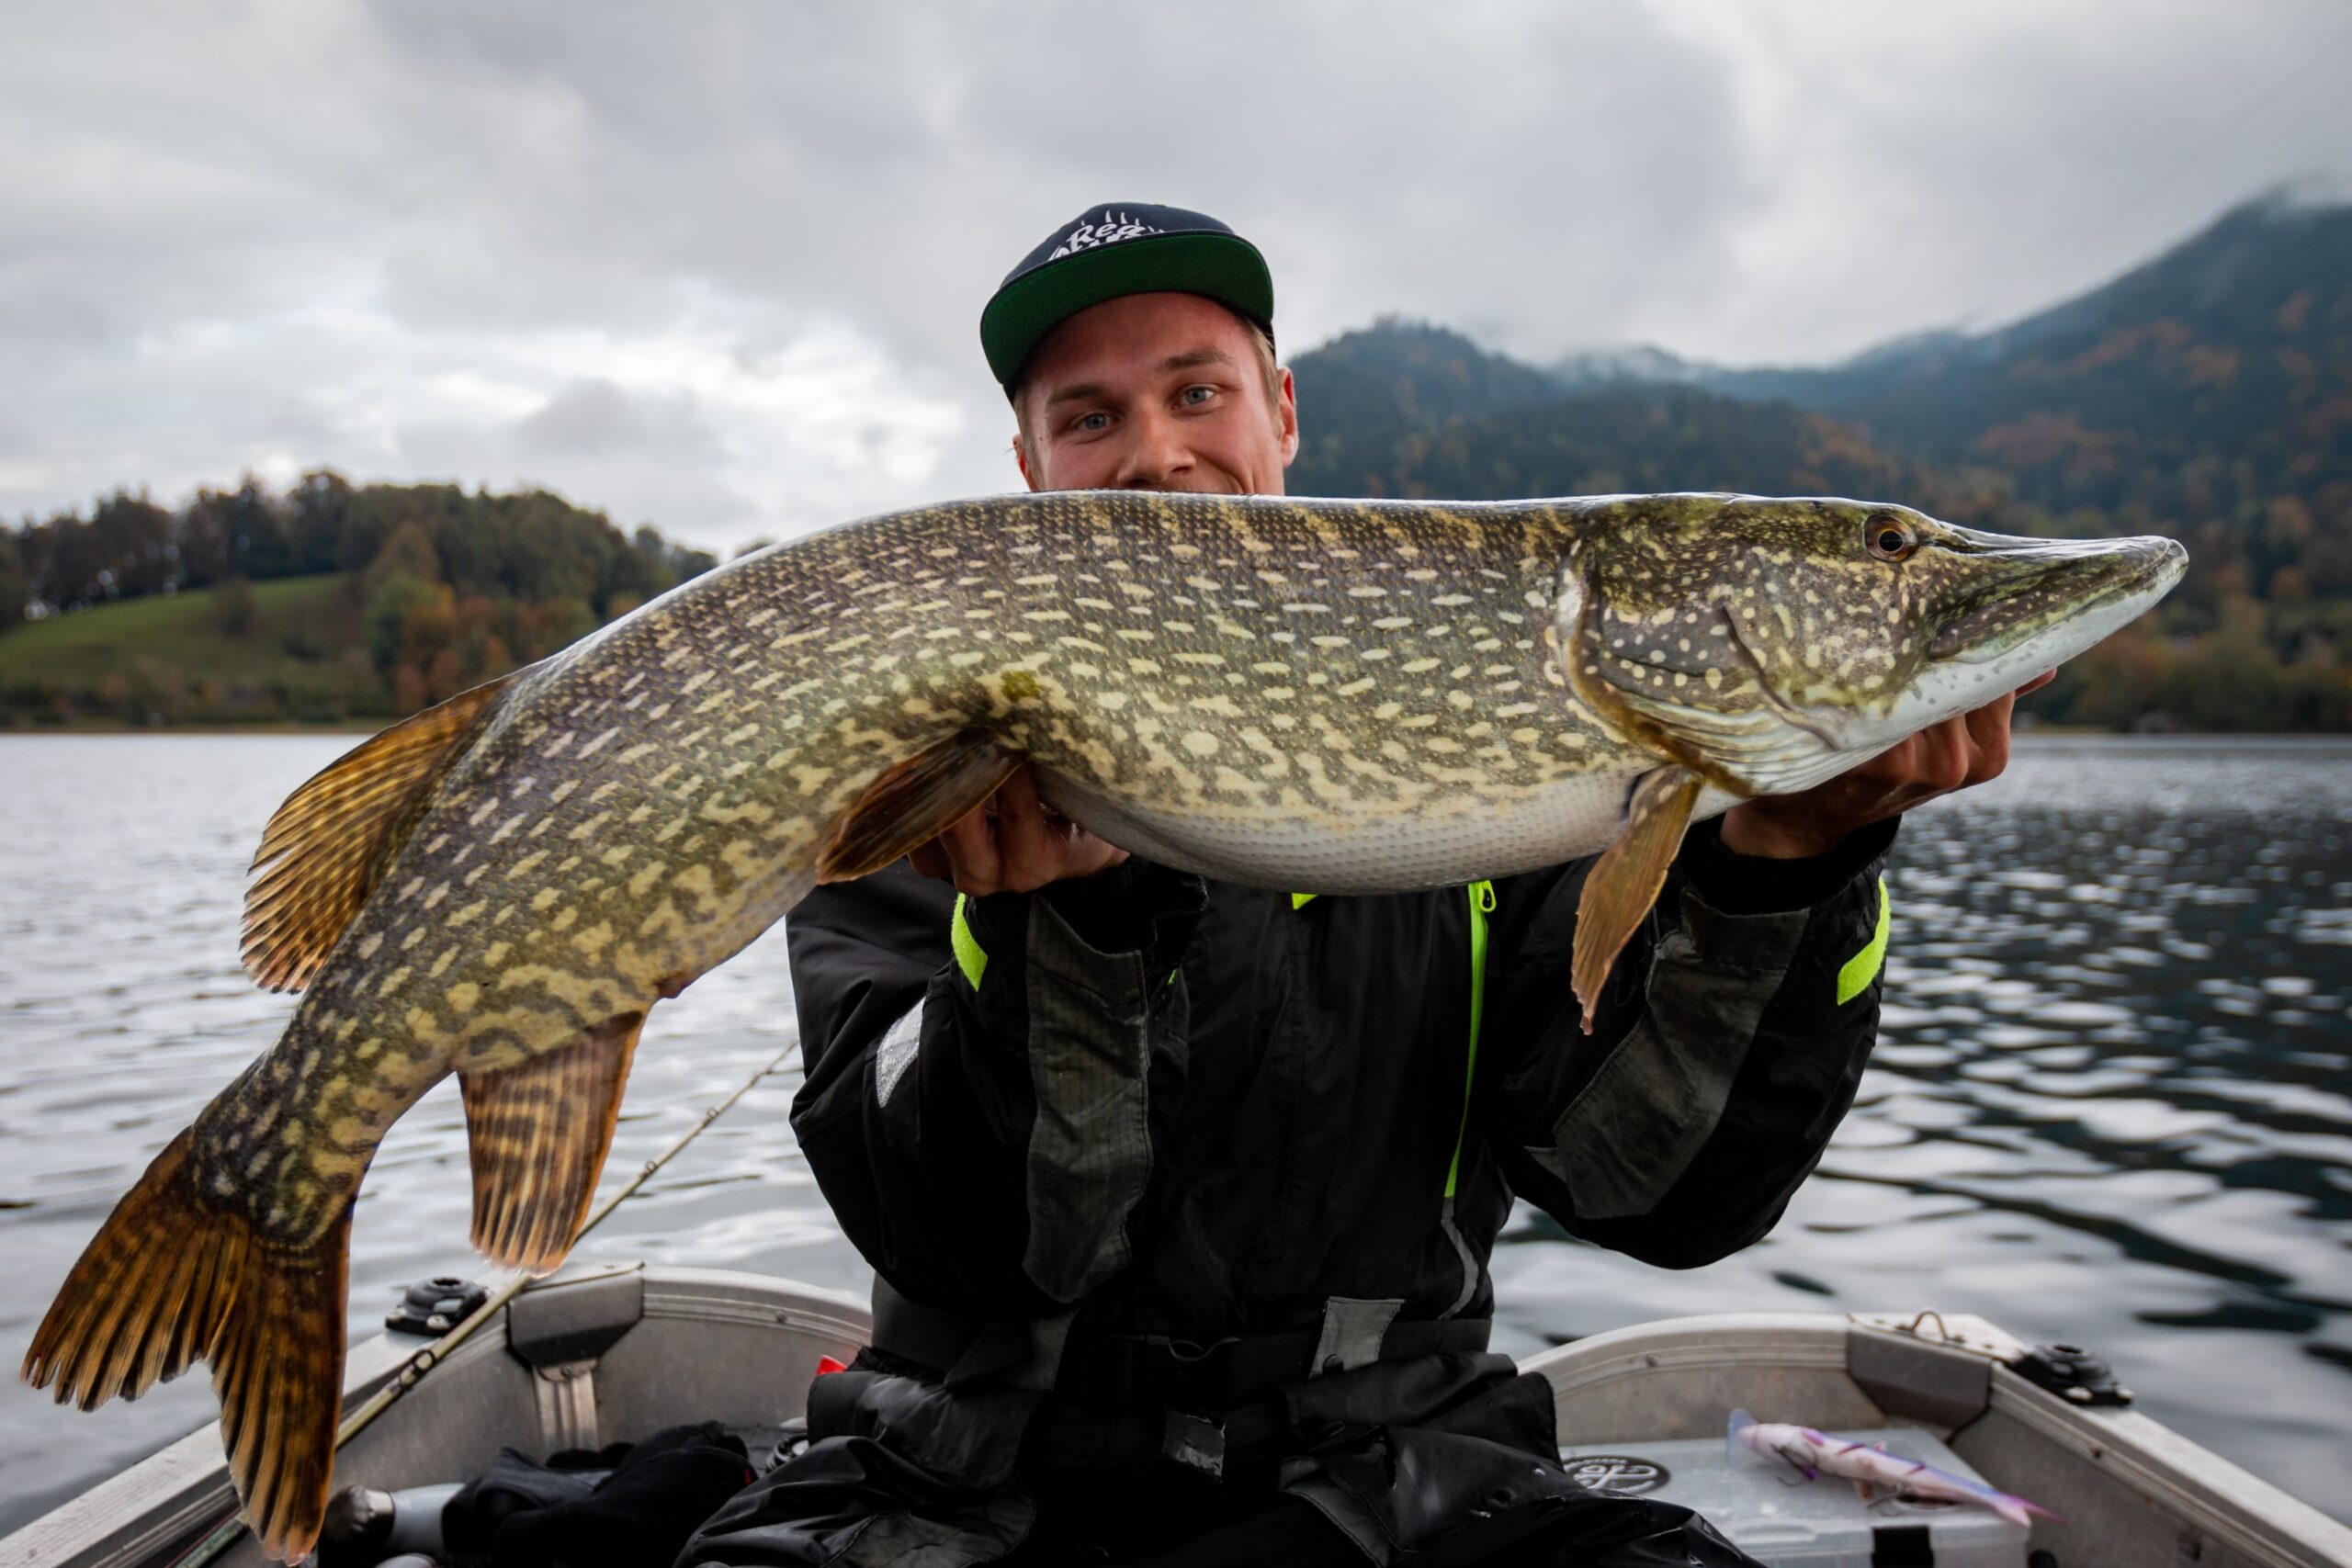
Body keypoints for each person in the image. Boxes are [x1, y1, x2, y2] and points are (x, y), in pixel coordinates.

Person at [681, 204, 2046, 1566]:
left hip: (1396, 1473)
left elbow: (1654, 1195)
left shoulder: (1539, 780)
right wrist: (1059, 930)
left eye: (1197, 392)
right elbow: (969, 1248)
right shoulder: (915, 768)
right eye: (1090, 419)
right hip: (984, 1474)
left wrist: (1785, 877)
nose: (1156, 453)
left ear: (1281, 411)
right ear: (1030, 468)